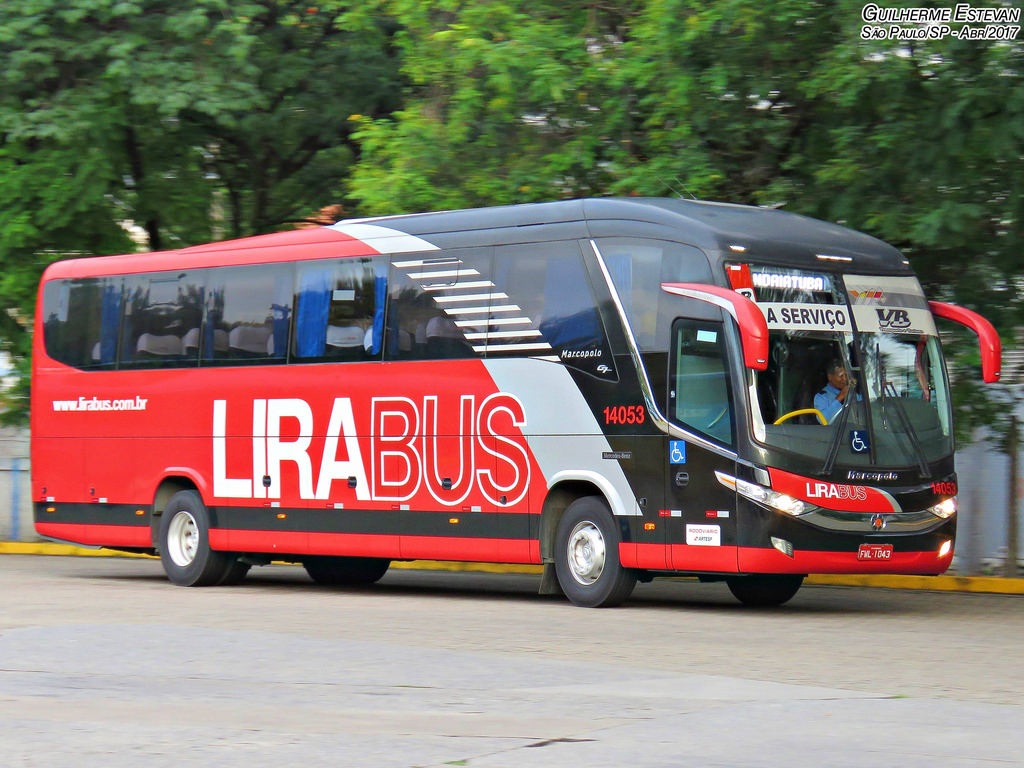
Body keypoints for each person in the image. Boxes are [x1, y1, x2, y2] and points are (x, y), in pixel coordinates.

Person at [814, 359, 856, 424]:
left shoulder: (851, 390)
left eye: (846, 375)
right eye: (841, 376)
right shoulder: (822, 396)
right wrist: (841, 396)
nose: (844, 379)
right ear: (830, 377)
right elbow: (822, 420)